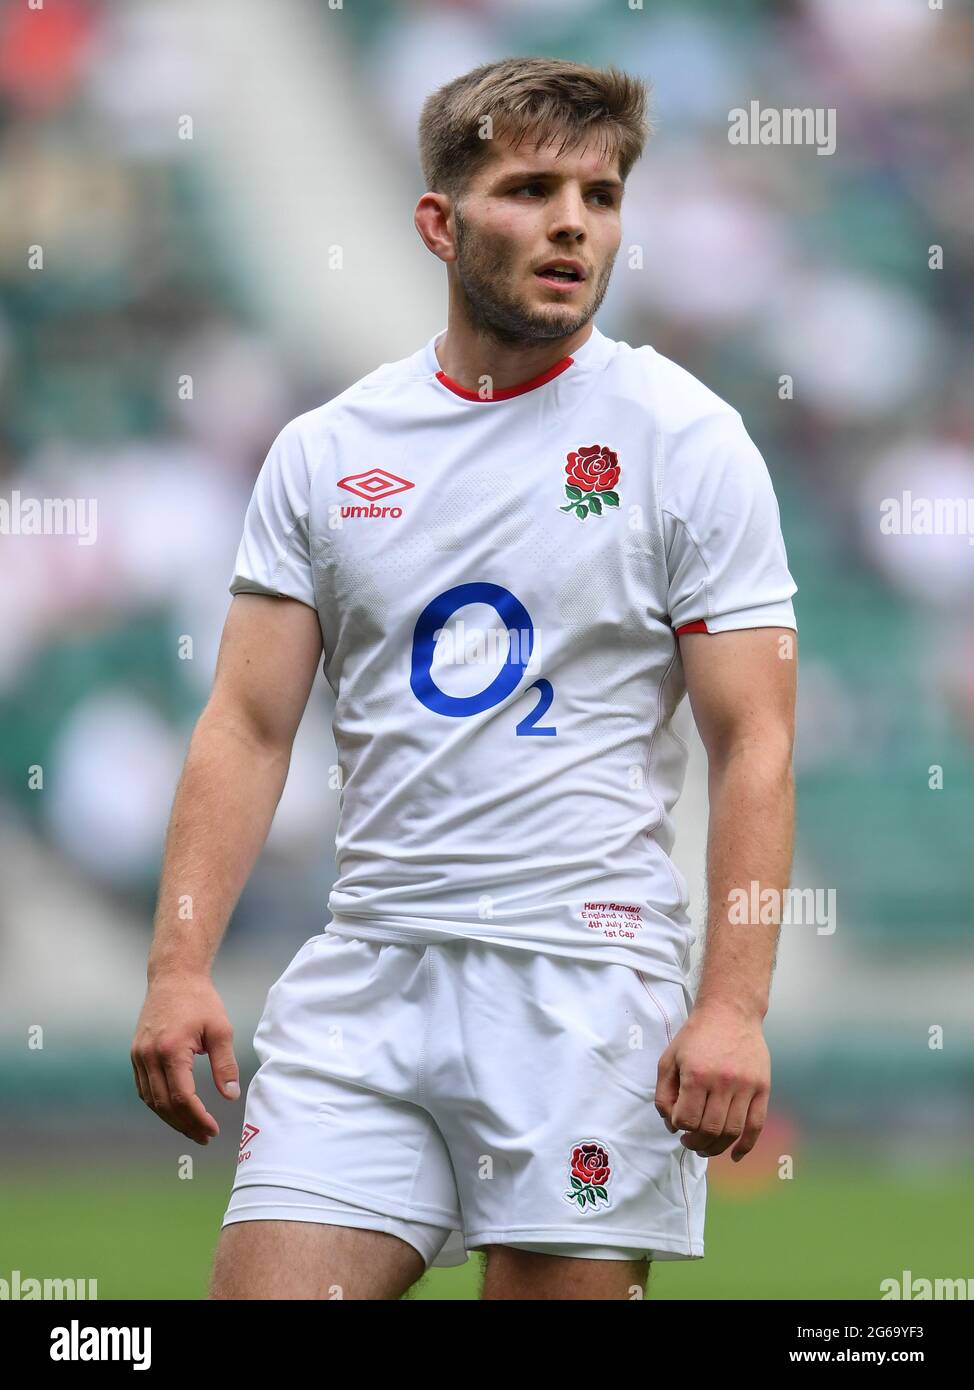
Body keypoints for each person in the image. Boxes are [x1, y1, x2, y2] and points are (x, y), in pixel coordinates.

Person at [132, 56, 798, 1301]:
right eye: (530, 188)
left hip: (584, 991)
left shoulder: (686, 440)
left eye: (599, 197)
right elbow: (247, 723)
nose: (571, 223)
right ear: (438, 221)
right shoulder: (325, 451)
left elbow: (751, 741)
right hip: (367, 973)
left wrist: (733, 1004)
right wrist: (178, 966)